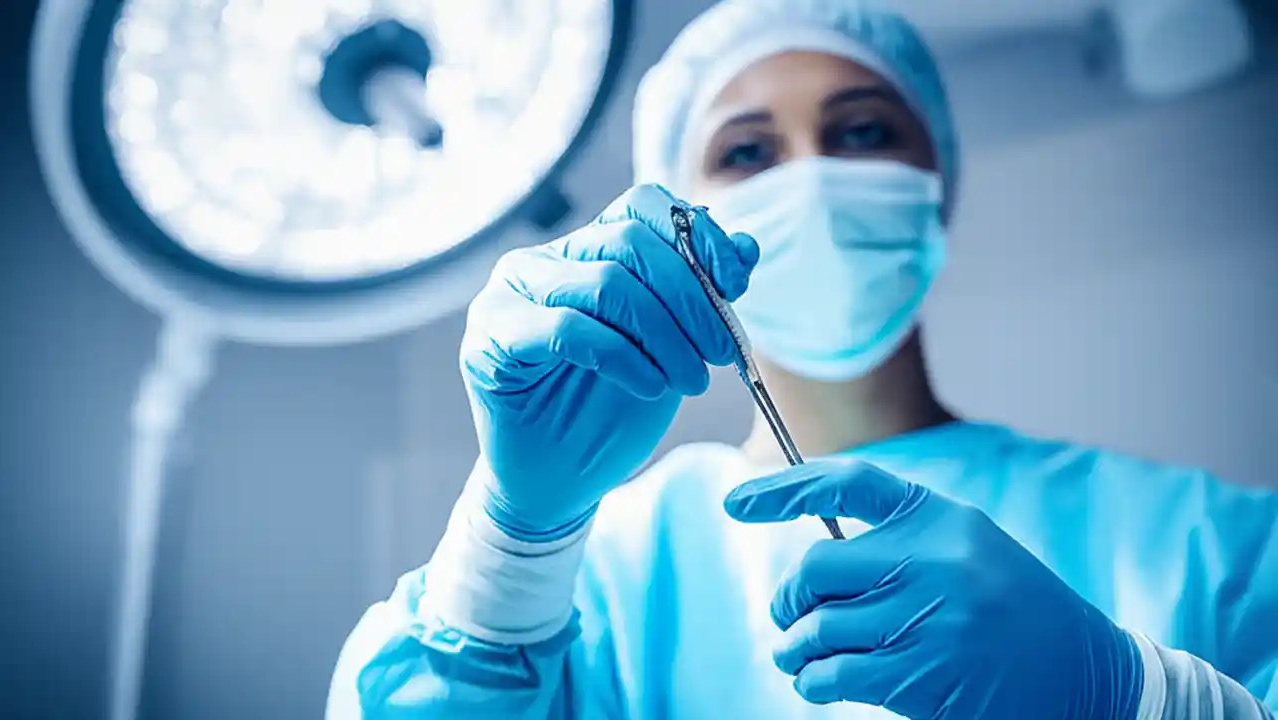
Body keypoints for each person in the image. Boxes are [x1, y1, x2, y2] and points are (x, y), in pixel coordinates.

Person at [326, 1, 1278, 718]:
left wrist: (1128, 692)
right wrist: (513, 536)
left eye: (862, 132)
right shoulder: (606, 573)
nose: (811, 176)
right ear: (680, 219)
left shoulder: (1215, 546)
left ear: (935, 184)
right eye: (747, 152)